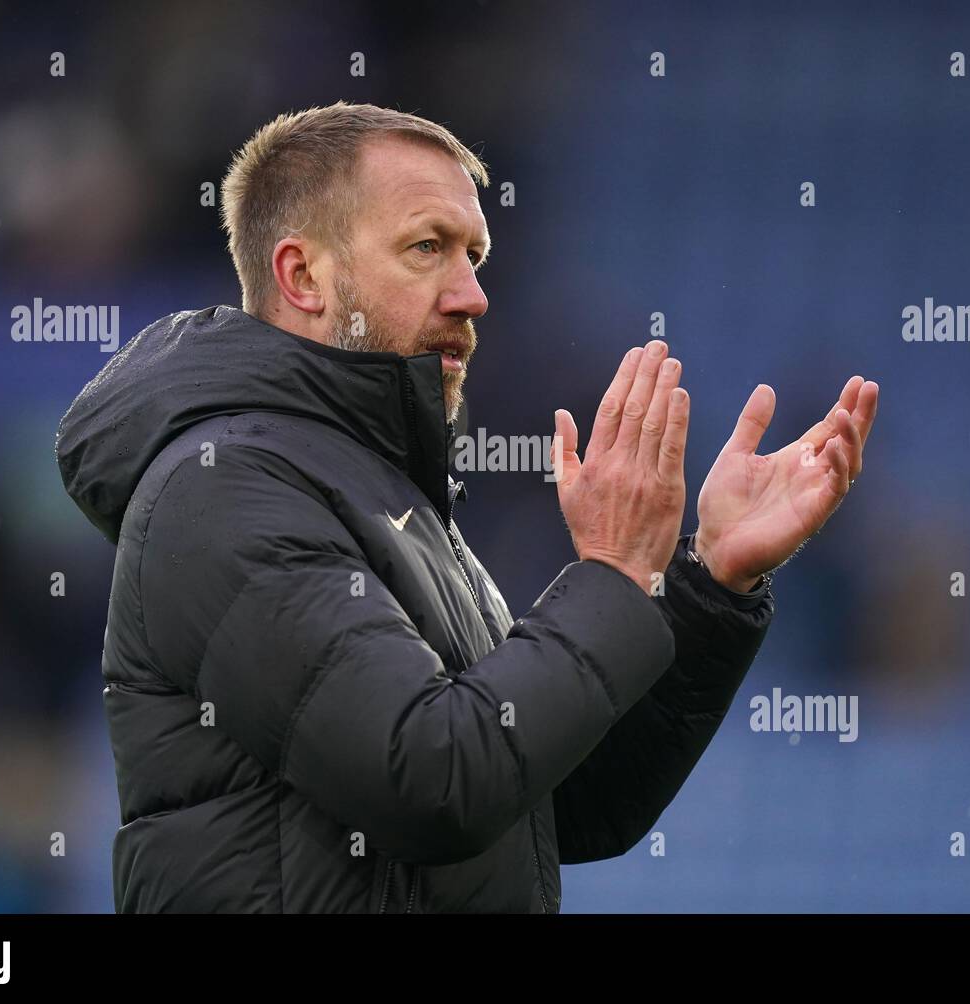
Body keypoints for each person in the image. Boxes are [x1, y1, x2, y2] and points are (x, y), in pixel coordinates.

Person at [56, 101, 878, 913]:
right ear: (302, 275)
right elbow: (433, 781)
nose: (473, 295)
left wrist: (709, 582)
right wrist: (617, 575)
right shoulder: (224, 485)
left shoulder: (379, 492)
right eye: (427, 249)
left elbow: (552, 806)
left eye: (475, 256)